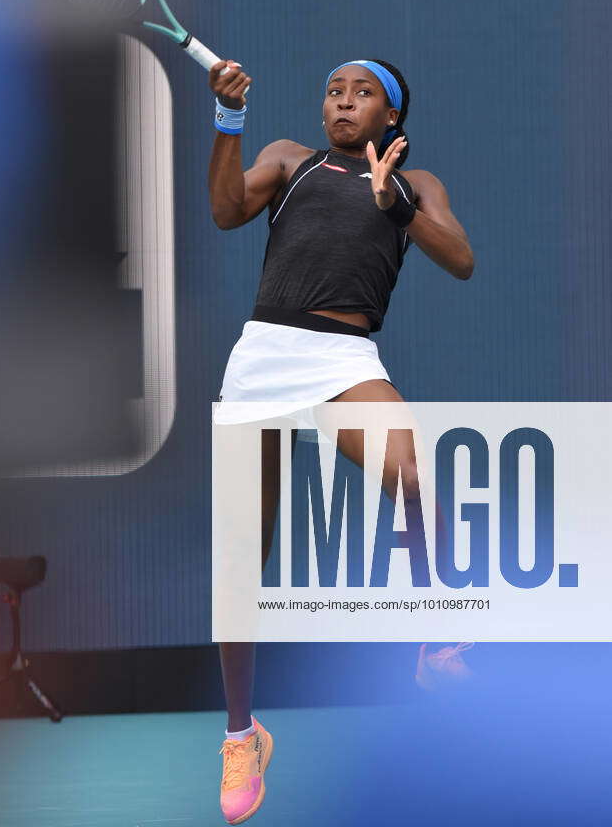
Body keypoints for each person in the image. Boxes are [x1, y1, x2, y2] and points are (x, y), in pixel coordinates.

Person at [209, 57, 475, 825]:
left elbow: (458, 259)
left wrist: (393, 205)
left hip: (342, 360)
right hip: (263, 356)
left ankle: (435, 641)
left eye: (361, 93)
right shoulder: (290, 160)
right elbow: (227, 210)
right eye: (333, 90)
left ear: (390, 117)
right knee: (238, 559)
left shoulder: (416, 185)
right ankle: (240, 734)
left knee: (409, 465)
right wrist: (229, 123)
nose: (342, 102)